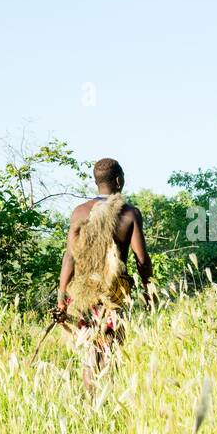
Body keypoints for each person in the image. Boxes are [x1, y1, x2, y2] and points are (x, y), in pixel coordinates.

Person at [54, 158, 153, 391]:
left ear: (97, 182)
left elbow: (69, 257)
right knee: (110, 352)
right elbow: (142, 260)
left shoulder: (79, 212)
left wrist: (61, 299)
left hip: (82, 294)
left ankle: (91, 407)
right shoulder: (129, 214)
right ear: (118, 180)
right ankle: (106, 406)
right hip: (113, 294)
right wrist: (150, 293)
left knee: (90, 353)